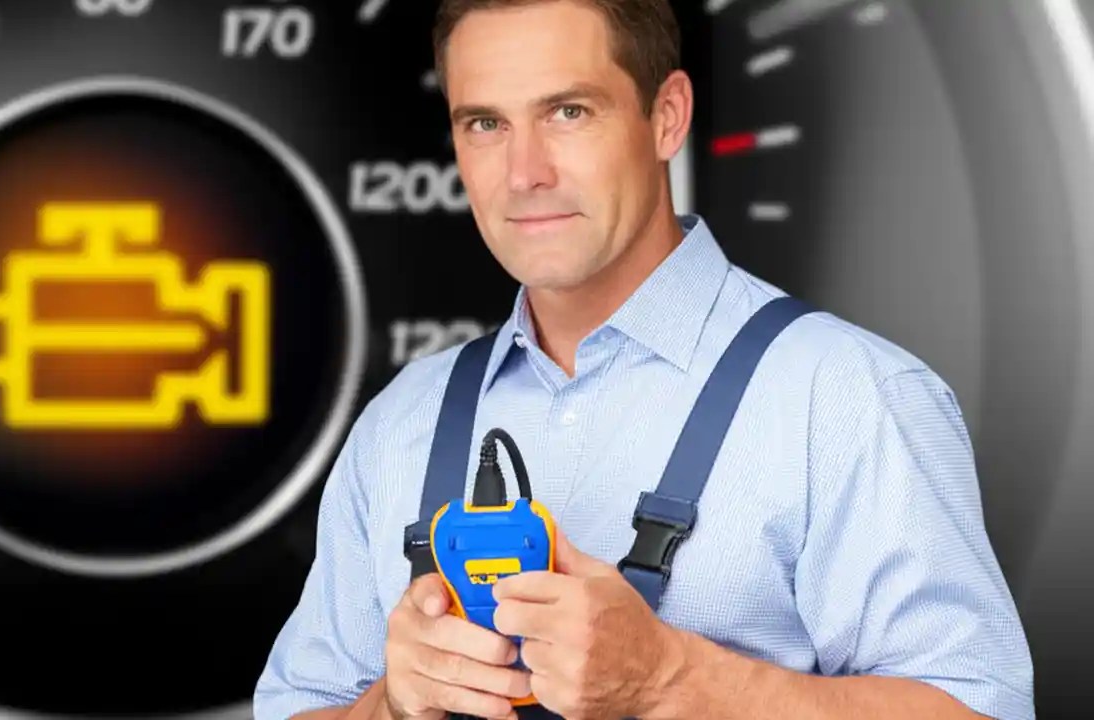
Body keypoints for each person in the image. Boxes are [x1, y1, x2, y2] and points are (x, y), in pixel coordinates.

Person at [253, 0, 1034, 718]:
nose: (524, 173)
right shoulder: (400, 424)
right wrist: (391, 703)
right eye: (485, 124)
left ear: (667, 117)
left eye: (568, 111)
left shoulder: (850, 398)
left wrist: (673, 678)